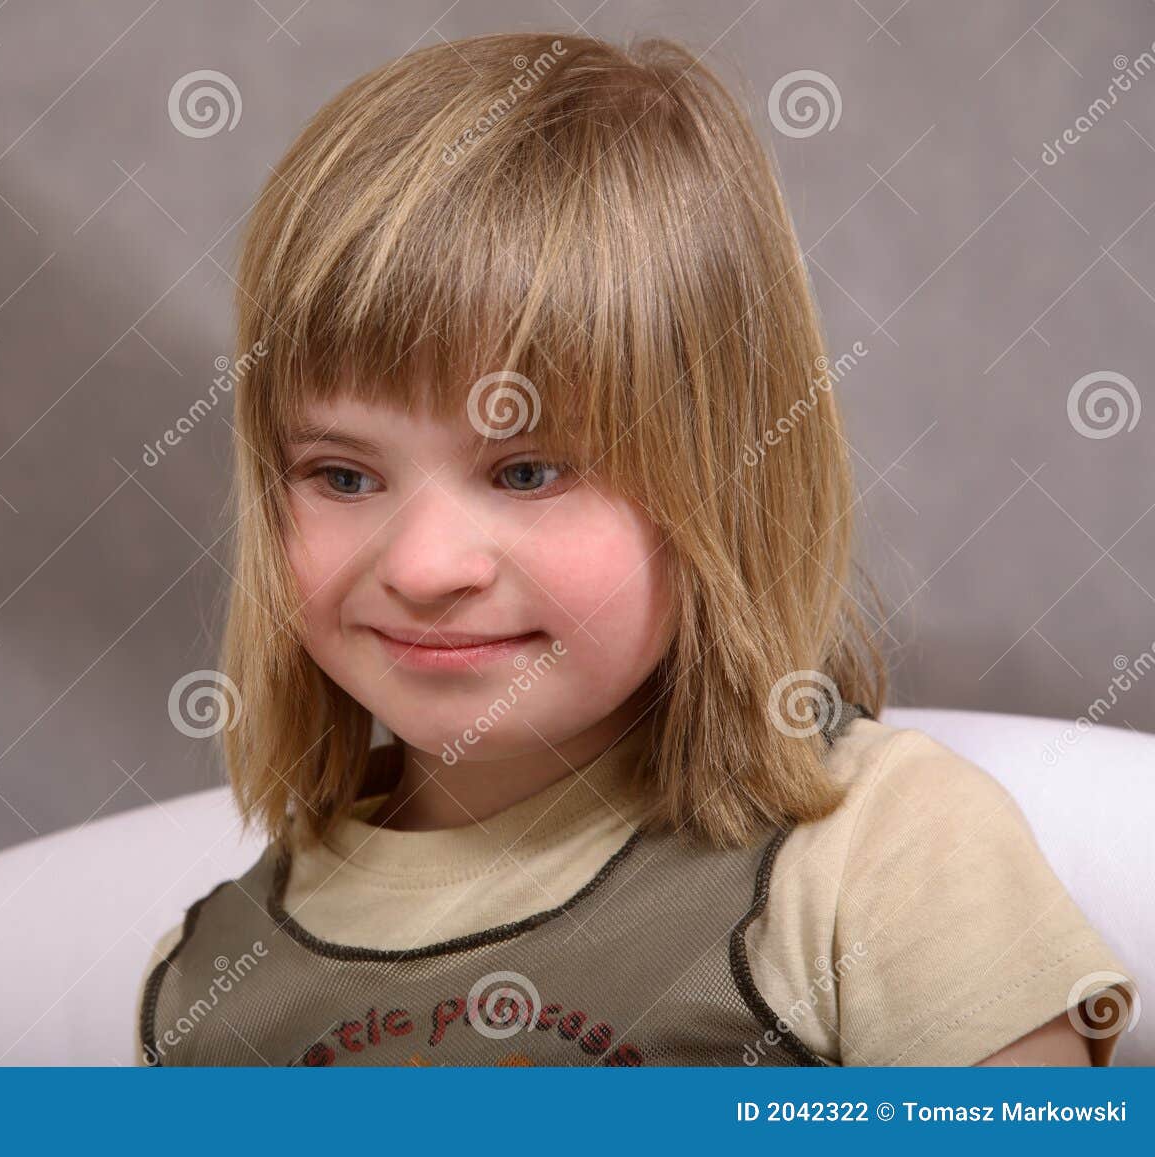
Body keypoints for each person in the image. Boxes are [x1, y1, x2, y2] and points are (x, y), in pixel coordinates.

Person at [136, 31, 1137, 1067]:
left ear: (723, 482)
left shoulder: (880, 856)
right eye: (343, 477)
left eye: (526, 471)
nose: (424, 566)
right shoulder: (207, 983)